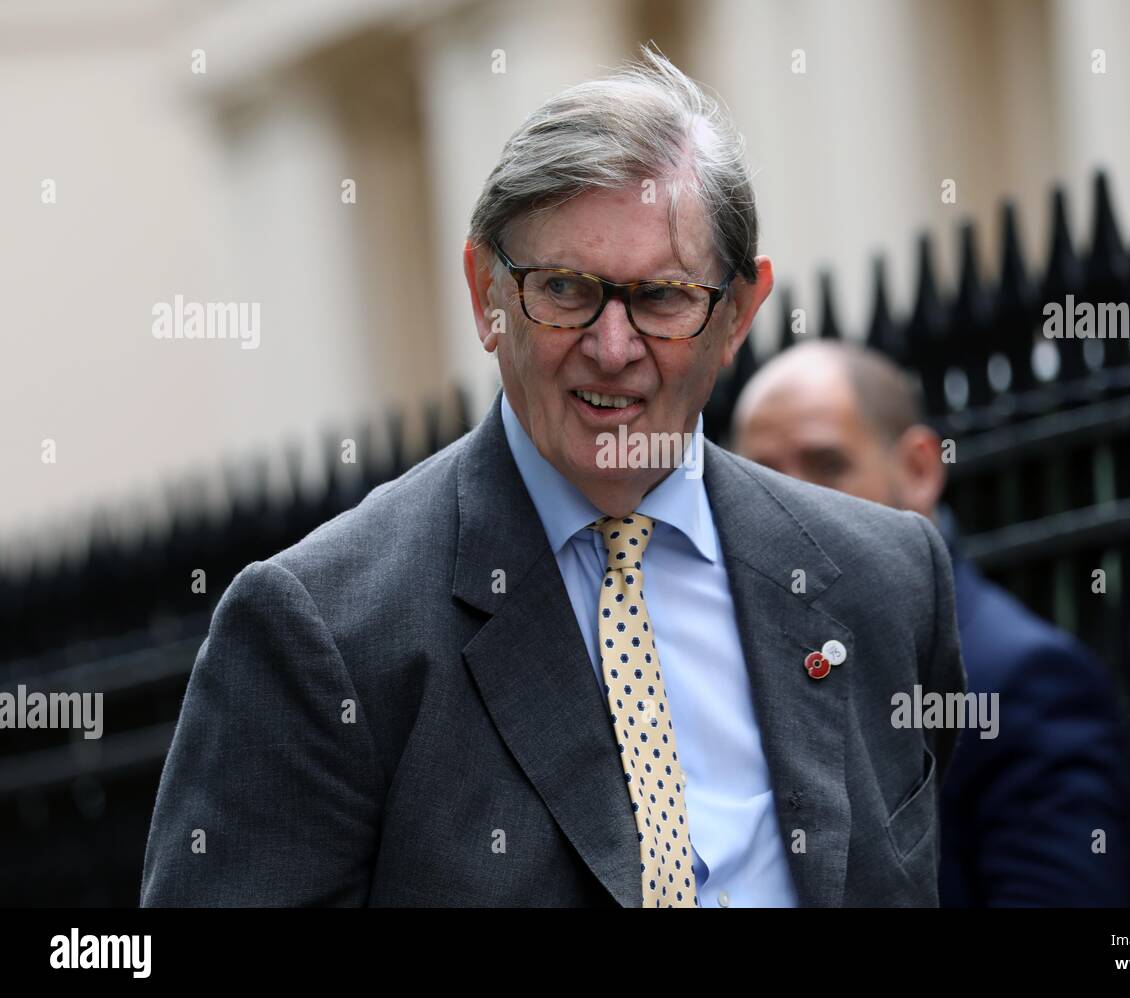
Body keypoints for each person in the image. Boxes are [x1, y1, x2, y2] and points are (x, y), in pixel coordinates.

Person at [140, 46, 964, 908]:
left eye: (663, 297)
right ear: (485, 296)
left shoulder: (886, 579)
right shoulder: (326, 632)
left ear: (738, 315)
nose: (612, 347)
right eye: (565, 289)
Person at [732, 340, 1130, 906]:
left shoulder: (1024, 680)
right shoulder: (743, 662)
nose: (790, 506)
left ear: (919, 469)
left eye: (827, 465)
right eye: (762, 480)